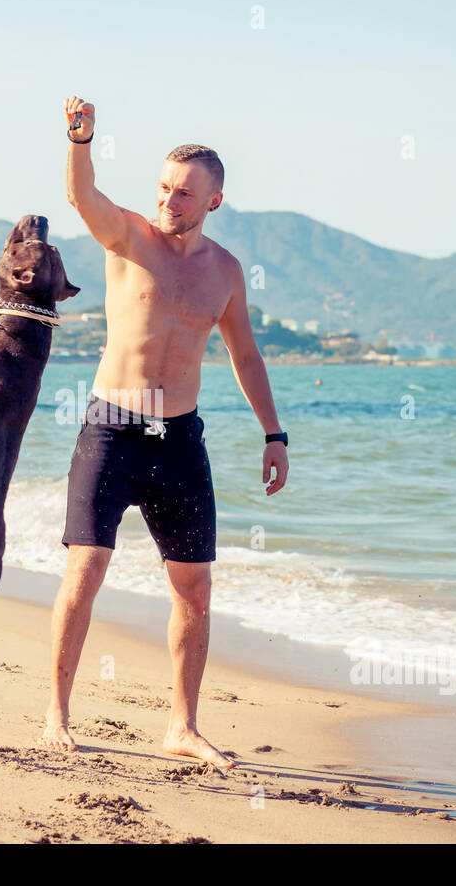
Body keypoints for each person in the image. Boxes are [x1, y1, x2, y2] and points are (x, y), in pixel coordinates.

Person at [40, 95, 289, 767]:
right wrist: (80, 136)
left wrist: (274, 434)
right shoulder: (128, 237)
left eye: (183, 193)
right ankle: (56, 716)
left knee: (194, 588)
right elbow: (80, 192)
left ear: (213, 201)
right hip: (111, 430)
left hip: (178, 441)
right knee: (86, 568)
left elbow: (245, 356)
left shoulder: (226, 272)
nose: (168, 202)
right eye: (163, 189)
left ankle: (181, 725)